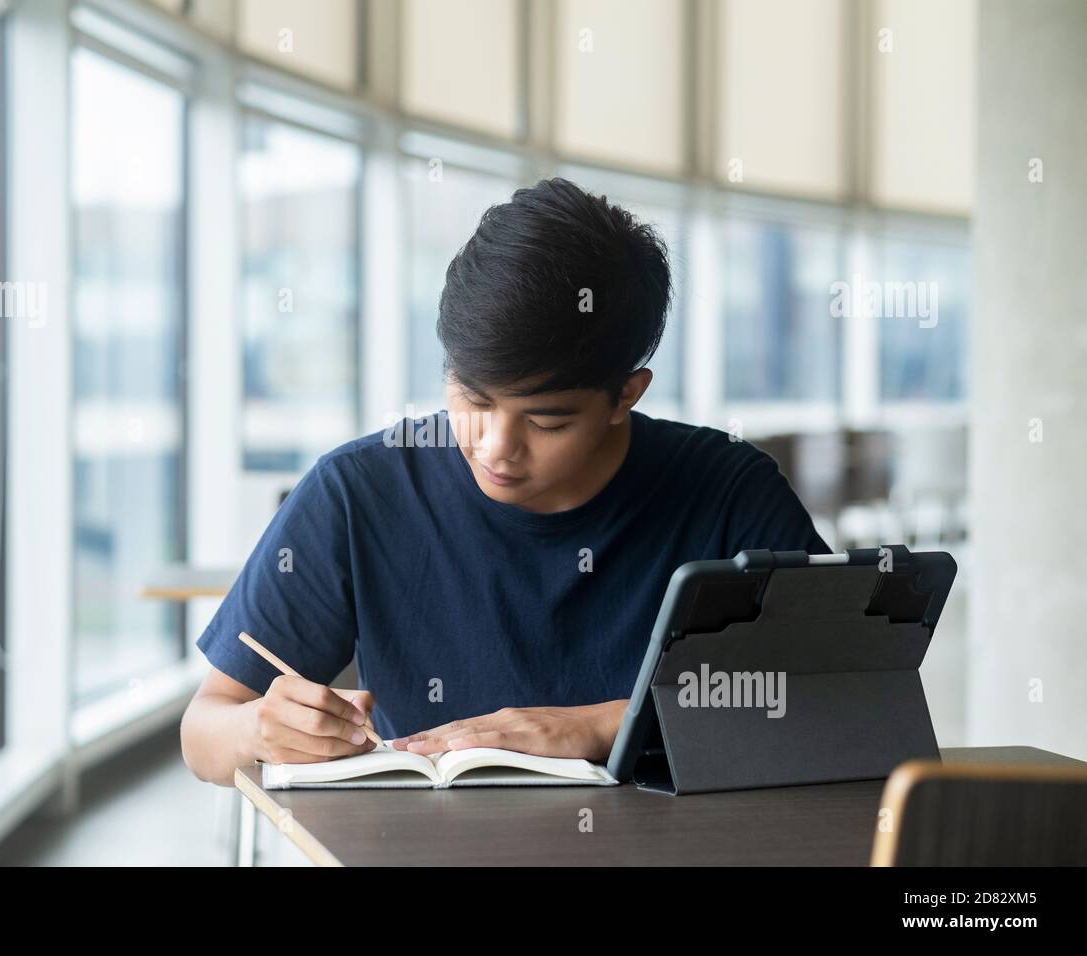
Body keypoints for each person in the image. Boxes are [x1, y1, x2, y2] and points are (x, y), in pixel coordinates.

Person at [181, 177, 828, 786]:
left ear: (625, 395)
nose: (494, 447)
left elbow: (843, 694)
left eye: (547, 421)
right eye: (473, 398)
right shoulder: (359, 493)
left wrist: (604, 725)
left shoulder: (728, 491)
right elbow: (203, 730)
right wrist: (255, 730)